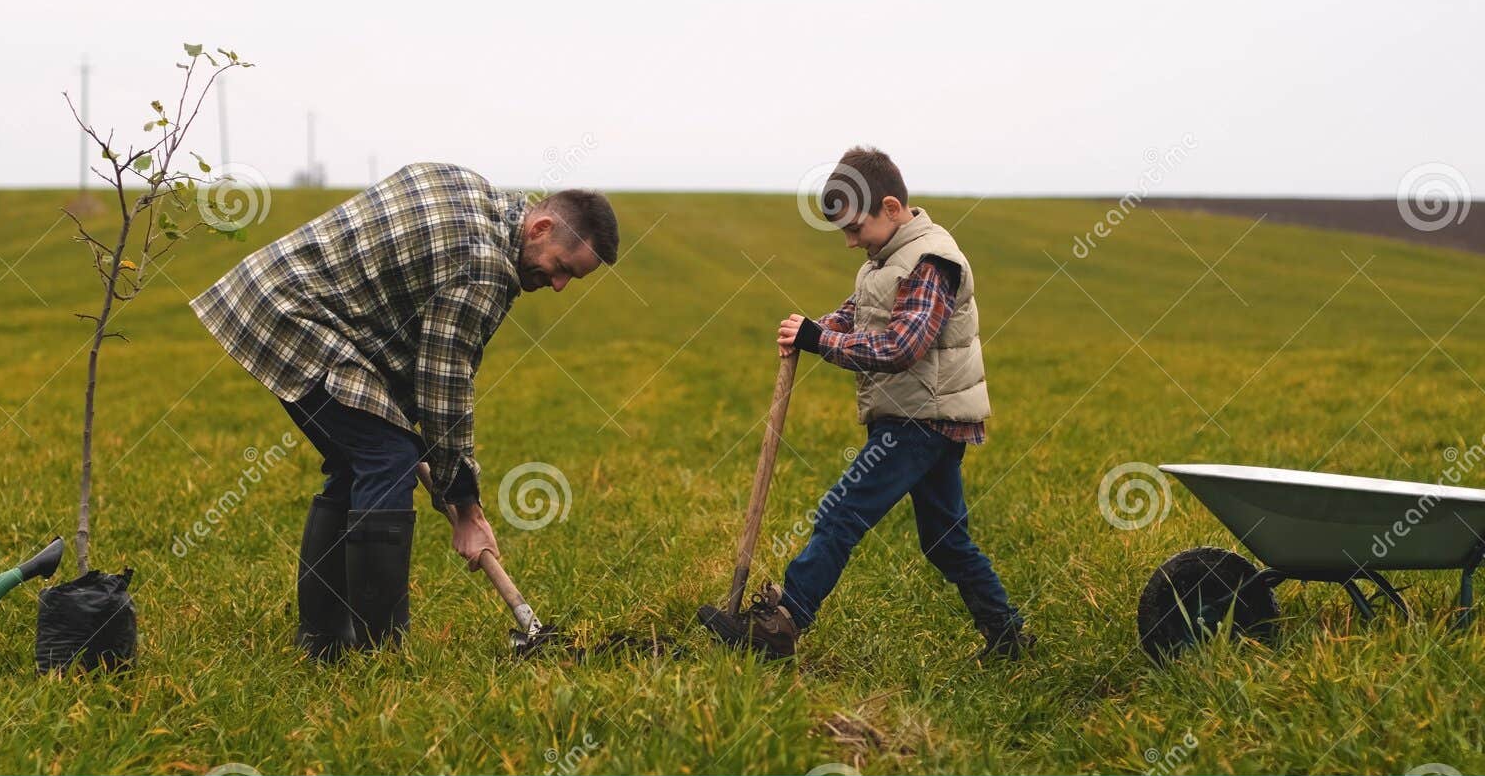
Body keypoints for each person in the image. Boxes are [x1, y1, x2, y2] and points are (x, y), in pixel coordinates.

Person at [191, 162, 619, 660]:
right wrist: (465, 504)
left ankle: (325, 640)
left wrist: (450, 484)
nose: (561, 284)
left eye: (573, 278)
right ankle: (381, 652)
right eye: (563, 267)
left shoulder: (475, 190)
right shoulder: (484, 267)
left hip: (277, 294)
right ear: (541, 227)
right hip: (297, 315)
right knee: (387, 459)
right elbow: (445, 383)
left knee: (364, 458)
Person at [700, 147, 1029, 661]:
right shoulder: (887, 261)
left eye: (856, 228)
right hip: (924, 417)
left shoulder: (930, 261)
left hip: (920, 420)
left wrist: (820, 342)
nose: (851, 242)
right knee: (945, 542)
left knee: (840, 513)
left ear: (892, 207)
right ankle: (1009, 637)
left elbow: (902, 346)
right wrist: (810, 329)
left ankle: (783, 624)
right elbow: (856, 315)